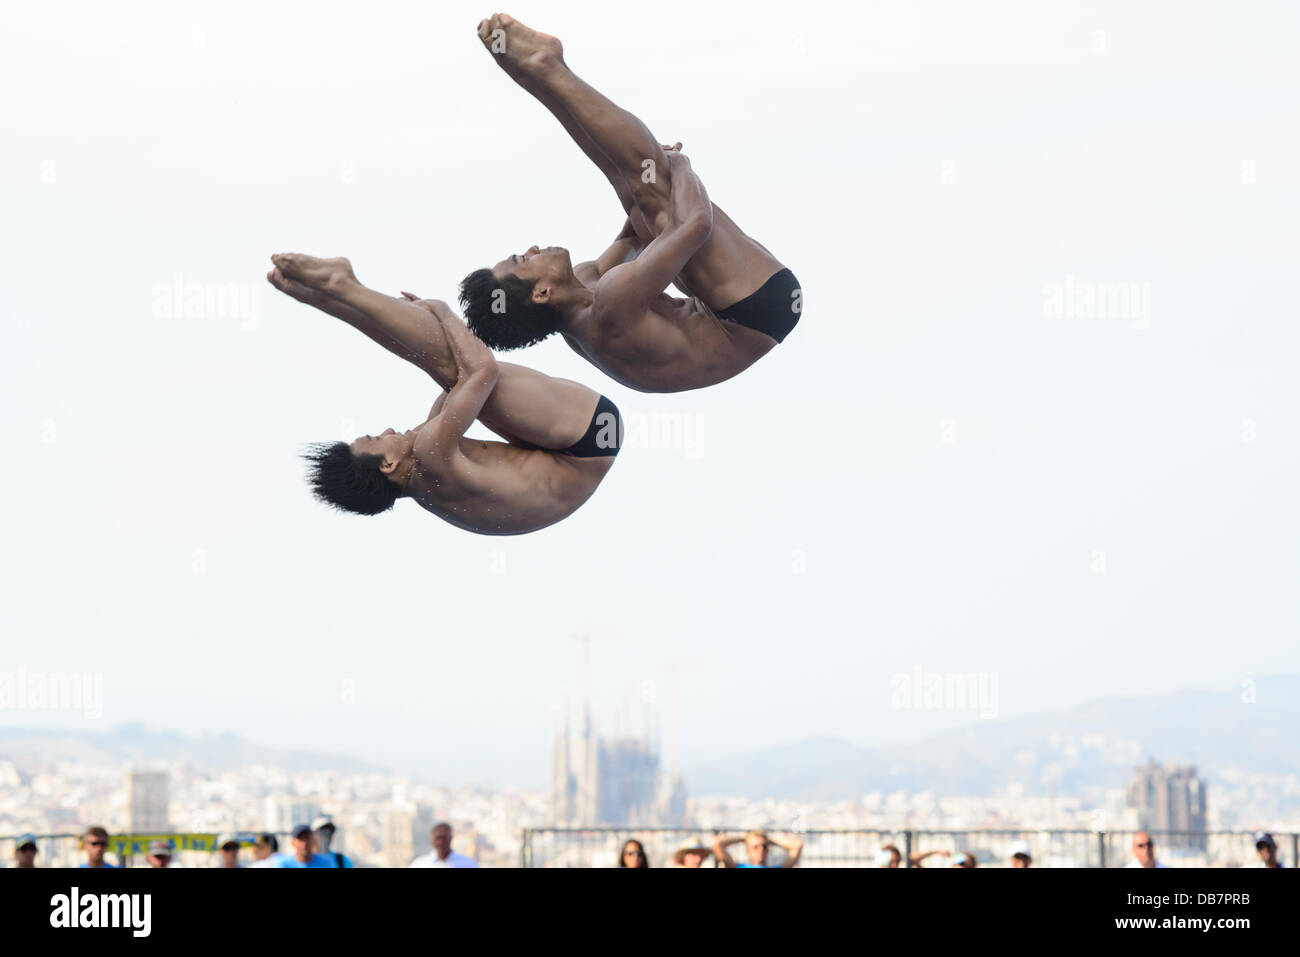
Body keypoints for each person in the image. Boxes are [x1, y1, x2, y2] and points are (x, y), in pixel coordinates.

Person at [462, 14, 803, 394]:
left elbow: (632, 238)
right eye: (524, 260)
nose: (533, 248)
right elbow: (694, 225)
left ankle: (535, 73)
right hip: (759, 307)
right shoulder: (609, 306)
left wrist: (645, 173)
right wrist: (679, 164)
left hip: (737, 312)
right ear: (542, 293)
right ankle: (548, 67)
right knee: (655, 185)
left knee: (635, 191)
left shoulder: (585, 291)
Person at [268, 259, 621, 533]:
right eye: (377, 438)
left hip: (591, 443)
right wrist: (442, 311)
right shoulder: (428, 455)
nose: (389, 430)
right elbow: (483, 370)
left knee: (445, 368)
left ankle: (329, 294)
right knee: (454, 366)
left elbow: (449, 384)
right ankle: (341, 288)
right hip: (587, 434)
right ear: (388, 466)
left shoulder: (428, 484)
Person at [713, 830, 803, 869]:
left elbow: (797, 845)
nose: (760, 850)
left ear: (768, 849)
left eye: (764, 846)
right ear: (748, 850)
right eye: (755, 847)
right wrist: (744, 839)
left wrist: (770, 839)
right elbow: (717, 845)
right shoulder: (737, 867)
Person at [408, 822, 478, 868]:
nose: (441, 842)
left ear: (451, 838)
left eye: (444, 838)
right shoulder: (419, 864)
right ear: (431, 840)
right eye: (438, 838)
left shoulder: (468, 864)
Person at [275, 824, 341, 868]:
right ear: (293, 843)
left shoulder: (326, 862)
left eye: (307, 838)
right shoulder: (284, 864)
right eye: (300, 839)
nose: (304, 843)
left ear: (313, 840)